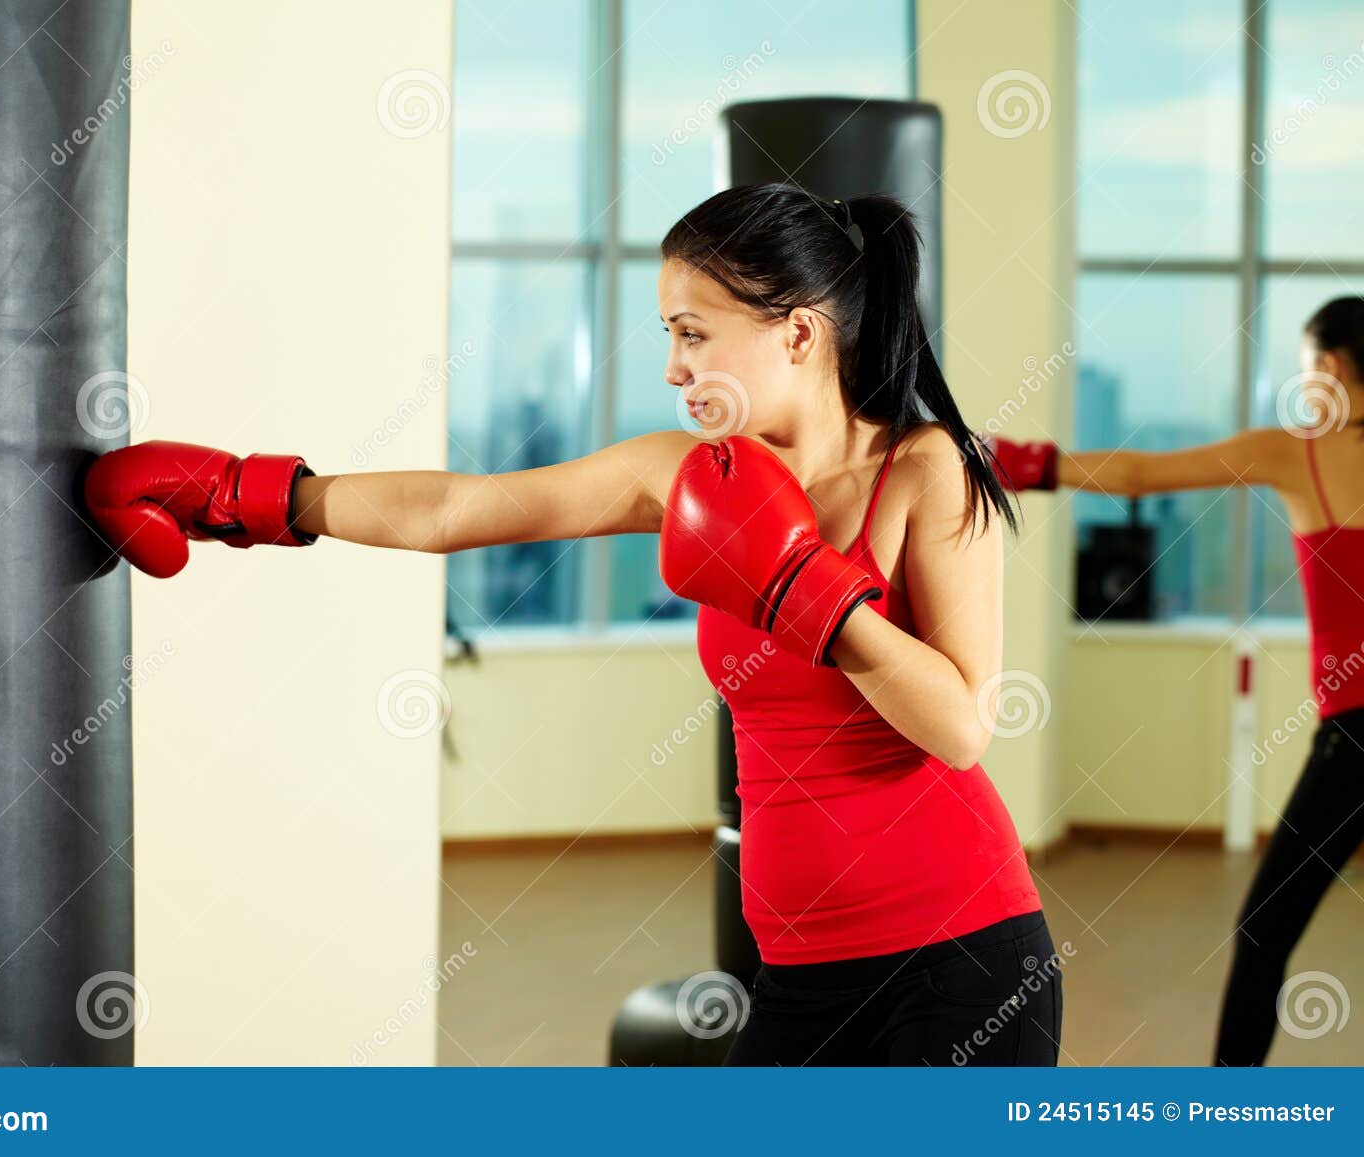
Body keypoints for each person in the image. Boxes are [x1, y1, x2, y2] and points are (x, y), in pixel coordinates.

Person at [84, 183, 1063, 1067]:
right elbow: (457, 510)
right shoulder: (684, 474)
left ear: (797, 333)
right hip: (800, 968)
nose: (676, 366)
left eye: (693, 331)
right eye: (667, 336)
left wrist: (801, 583)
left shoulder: (925, 467)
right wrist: (250, 494)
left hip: (958, 961)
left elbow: (960, 723)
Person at [988, 295, 1364, 1066]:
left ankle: (1226, 1116)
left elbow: (1137, 473)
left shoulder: (1301, 452)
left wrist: (1028, 464)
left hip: (1356, 735)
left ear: (1328, 367)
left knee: (1265, 934)